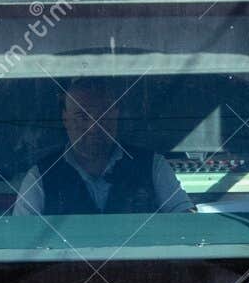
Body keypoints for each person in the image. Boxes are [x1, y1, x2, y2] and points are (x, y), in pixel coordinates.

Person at [14, 78, 191, 216]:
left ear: (116, 115)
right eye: (81, 117)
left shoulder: (153, 166)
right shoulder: (40, 178)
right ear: (65, 119)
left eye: (103, 116)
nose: (93, 127)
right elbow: (21, 242)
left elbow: (187, 223)